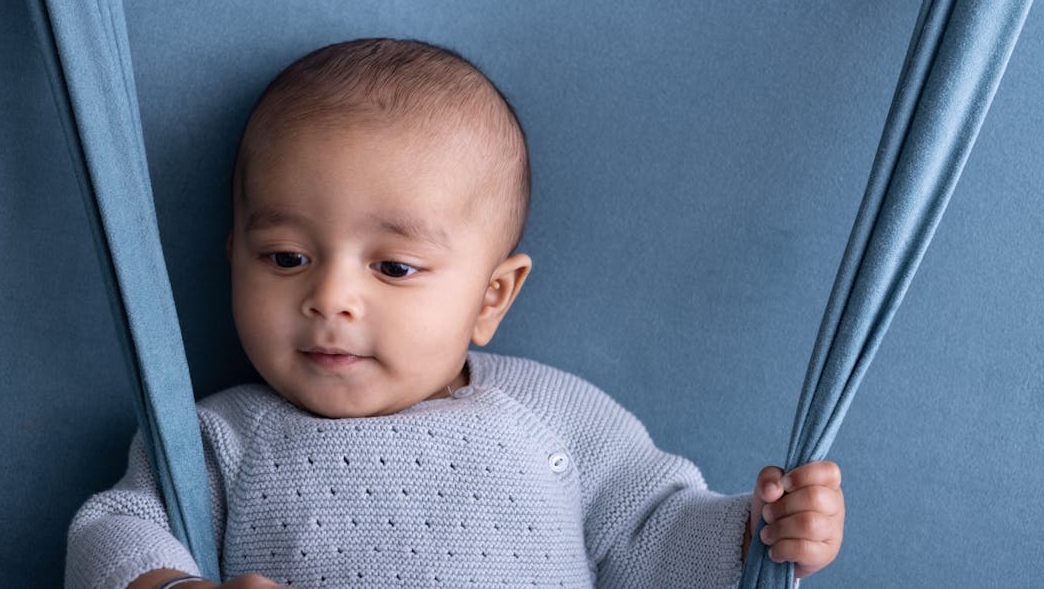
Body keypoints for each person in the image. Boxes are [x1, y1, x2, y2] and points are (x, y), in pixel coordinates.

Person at [66, 38, 844, 589]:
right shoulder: (222, 438)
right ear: (232, 254)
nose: (331, 297)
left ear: (491, 296)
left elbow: (653, 536)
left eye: (394, 267)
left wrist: (759, 534)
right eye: (285, 257)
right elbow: (114, 529)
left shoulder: (555, 416)